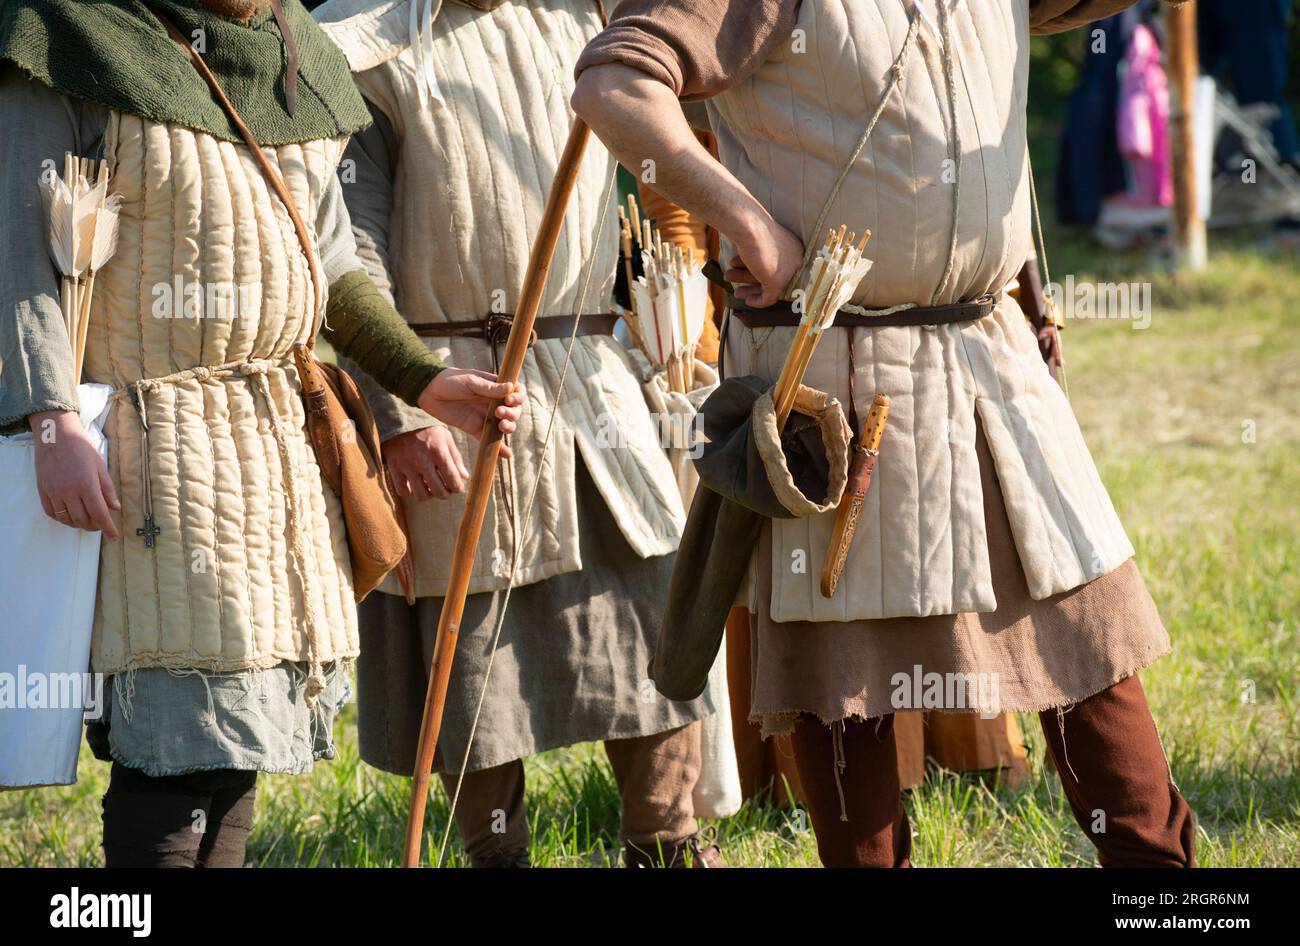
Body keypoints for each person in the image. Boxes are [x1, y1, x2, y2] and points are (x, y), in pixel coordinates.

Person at [573, 0, 1195, 868]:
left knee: (1090, 644)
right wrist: (745, 218)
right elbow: (613, 85)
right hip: (837, 375)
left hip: (992, 360)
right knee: (845, 689)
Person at [0, 0, 523, 867]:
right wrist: (49, 416)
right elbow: (15, 252)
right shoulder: (72, 30)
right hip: (148, 449)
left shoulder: (295, 53)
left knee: (241, 747)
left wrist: (425, 380)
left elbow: (335, 273)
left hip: (275, 449)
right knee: (171, 754)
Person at [313, 0, 720, 868]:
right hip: (452, 391)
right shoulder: (359, 47)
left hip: (587, 379)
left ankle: (668, 845)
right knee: (475, 678)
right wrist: (404, 409)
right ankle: (498, 858)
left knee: (647, 617)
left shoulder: (588, 21)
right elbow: (352, 258)